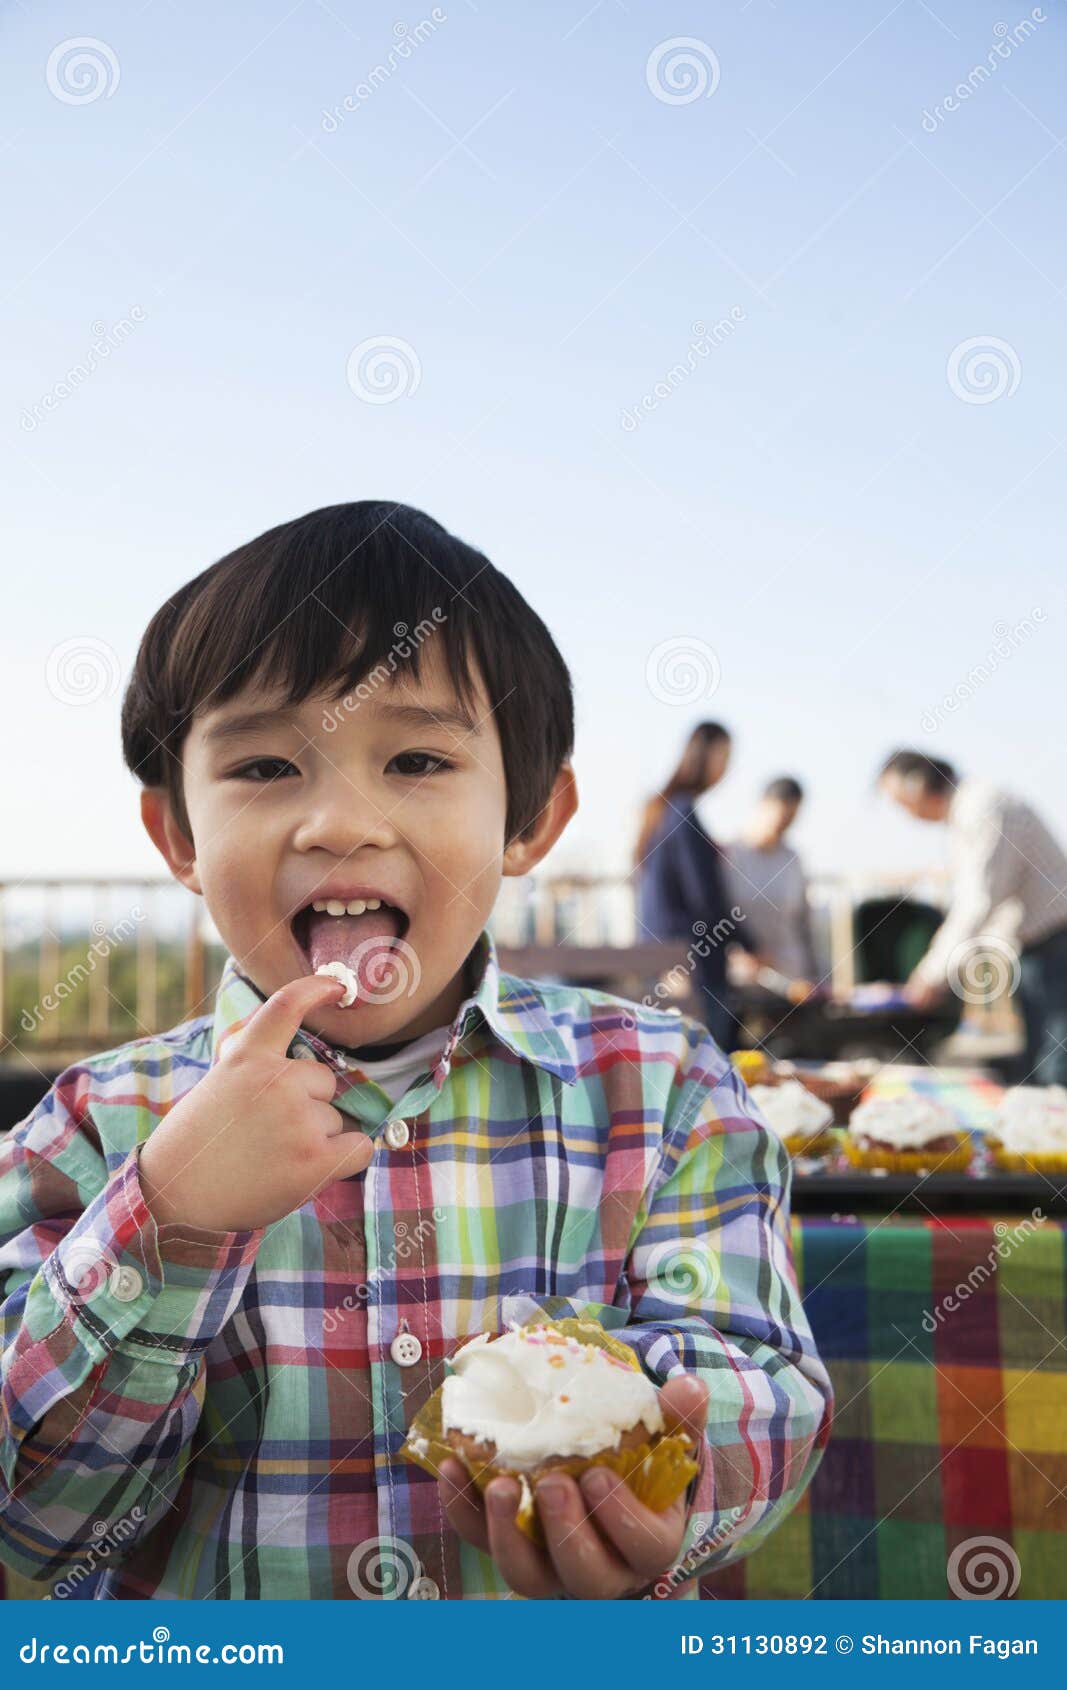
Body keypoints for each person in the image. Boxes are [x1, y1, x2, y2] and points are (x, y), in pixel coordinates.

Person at [0, 504, 831, 1601]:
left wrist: (662, 1471)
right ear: (179, 838)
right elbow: (38, 1525)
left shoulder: (661, 1087)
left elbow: (758, 1377)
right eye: (262, 768)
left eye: (417, 757)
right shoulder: (96, 1125)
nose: (340, 822)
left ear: (530, 818)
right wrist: (171, 1215)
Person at [879, 749, 1067, 1085]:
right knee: (1039, 1062)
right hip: (1035, 946)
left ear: (917, 785)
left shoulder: (983, 806)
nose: (906, 814)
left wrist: (931, 975)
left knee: (1055, 1066)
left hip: (1056, 944)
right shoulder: (968, 812)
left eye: (900, 802)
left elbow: (977, 902)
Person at [633, 723, 758, 1048]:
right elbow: (706, 899)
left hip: (662, 963)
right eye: (725, 756)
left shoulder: (663, 811)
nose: (727, 768)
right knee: (710, 1069)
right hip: (692, 967)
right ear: (707, 754)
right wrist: (748, 944)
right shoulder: (683, 813)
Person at [724, 777, 819, 988]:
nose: (783, 826)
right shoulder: (730, 857)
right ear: (763, 804)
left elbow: (805, 923)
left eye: (791, 819)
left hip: (791, 979)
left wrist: (817, 976)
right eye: (782, 816)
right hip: (743, 978)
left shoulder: (792, 860)